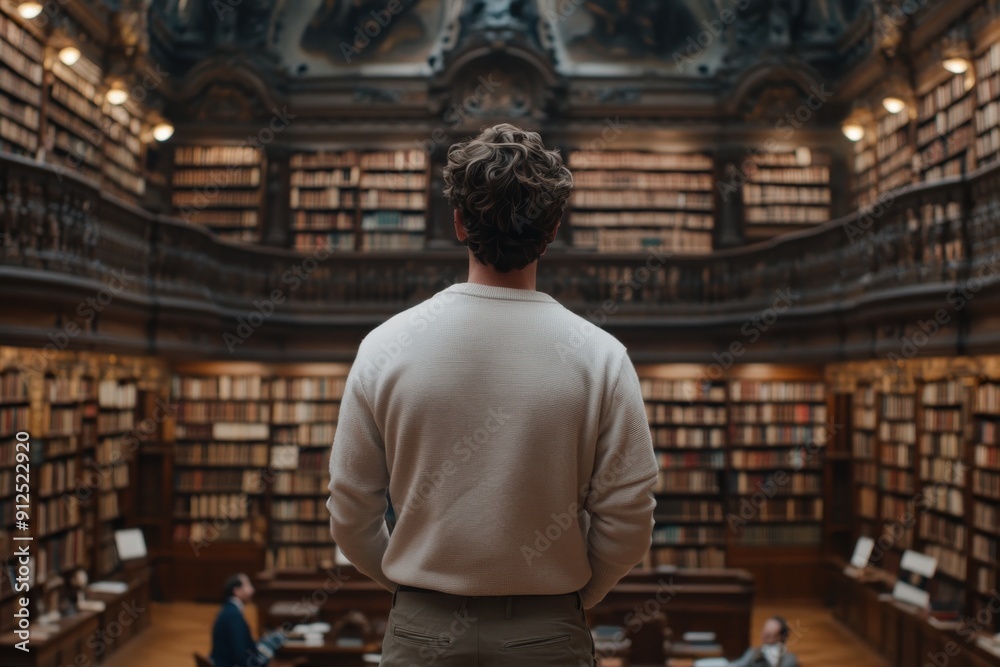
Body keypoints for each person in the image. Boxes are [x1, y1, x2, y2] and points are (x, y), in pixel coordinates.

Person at [326, 123, 658, 666]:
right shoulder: (600, 356)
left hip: (422, 630)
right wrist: (570, 597)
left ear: (458, 223)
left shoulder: (385, 346)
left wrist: (413, 586)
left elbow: (349, 509)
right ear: (552, 228)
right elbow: (629, 517)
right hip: (548, 630)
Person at [210, 573, 282, 667]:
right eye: (248, 586)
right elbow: (240, 651)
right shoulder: (233, 615)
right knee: (276, 640)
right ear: (237, 591)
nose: (252, 590)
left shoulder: (228, 610)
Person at [728, 616, 800, 667]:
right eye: (764, 632)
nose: (764, 636)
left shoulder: (789, 658)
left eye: (769, 635)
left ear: (780, 637)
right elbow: (738, 665)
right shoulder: (753, 652)